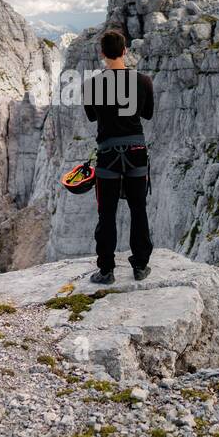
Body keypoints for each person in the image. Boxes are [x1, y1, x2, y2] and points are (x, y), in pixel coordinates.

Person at [82, 28, 154, 284]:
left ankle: (106, 270)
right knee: (138, 209)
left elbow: (92, 116)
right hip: (136, 152)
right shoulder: (143, 81)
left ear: (102, 53)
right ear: (125, 51)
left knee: (107, 212)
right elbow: (147, 114)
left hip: (107, 155)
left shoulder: (92, 85)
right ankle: (140, 265)